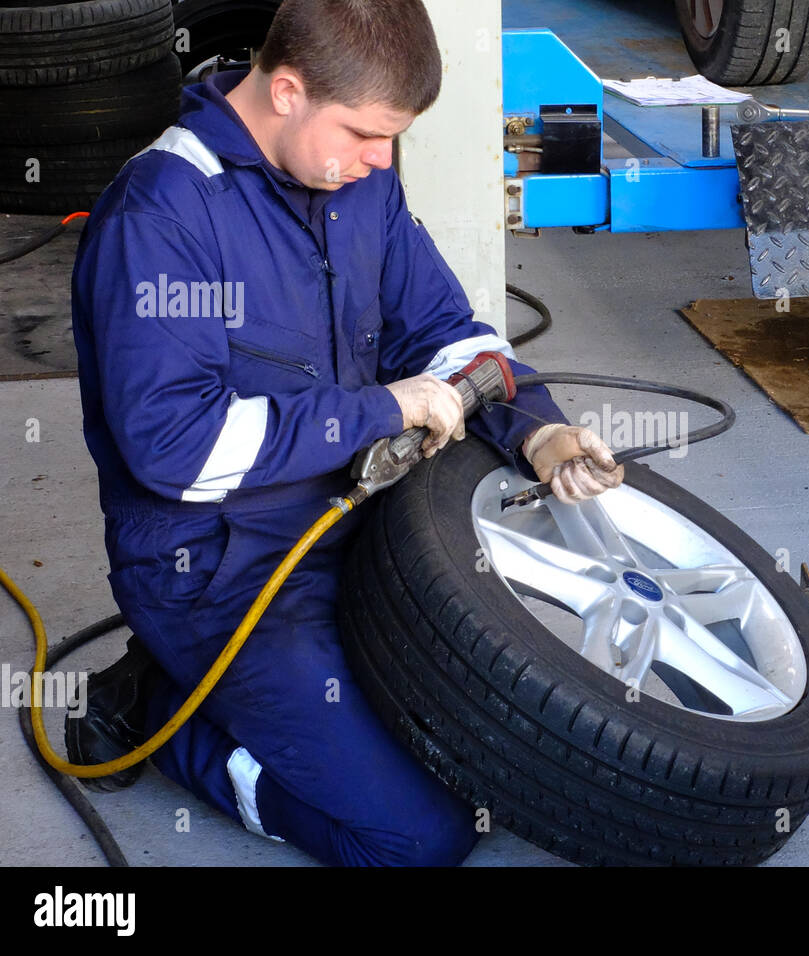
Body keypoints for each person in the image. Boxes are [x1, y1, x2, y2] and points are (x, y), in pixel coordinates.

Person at [66, 0, 623, 866]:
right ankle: (164, 717)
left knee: (501, 758)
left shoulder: (356, 184)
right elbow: (173, 447)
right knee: (420, 835)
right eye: (365, 133)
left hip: (360, 515)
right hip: (222, 573)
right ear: (286, 90)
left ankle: (237, 702)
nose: (382, 159)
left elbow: (447, 331)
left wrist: (536, 429)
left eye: (393, 138)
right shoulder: (162, 215)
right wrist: (382, 409)